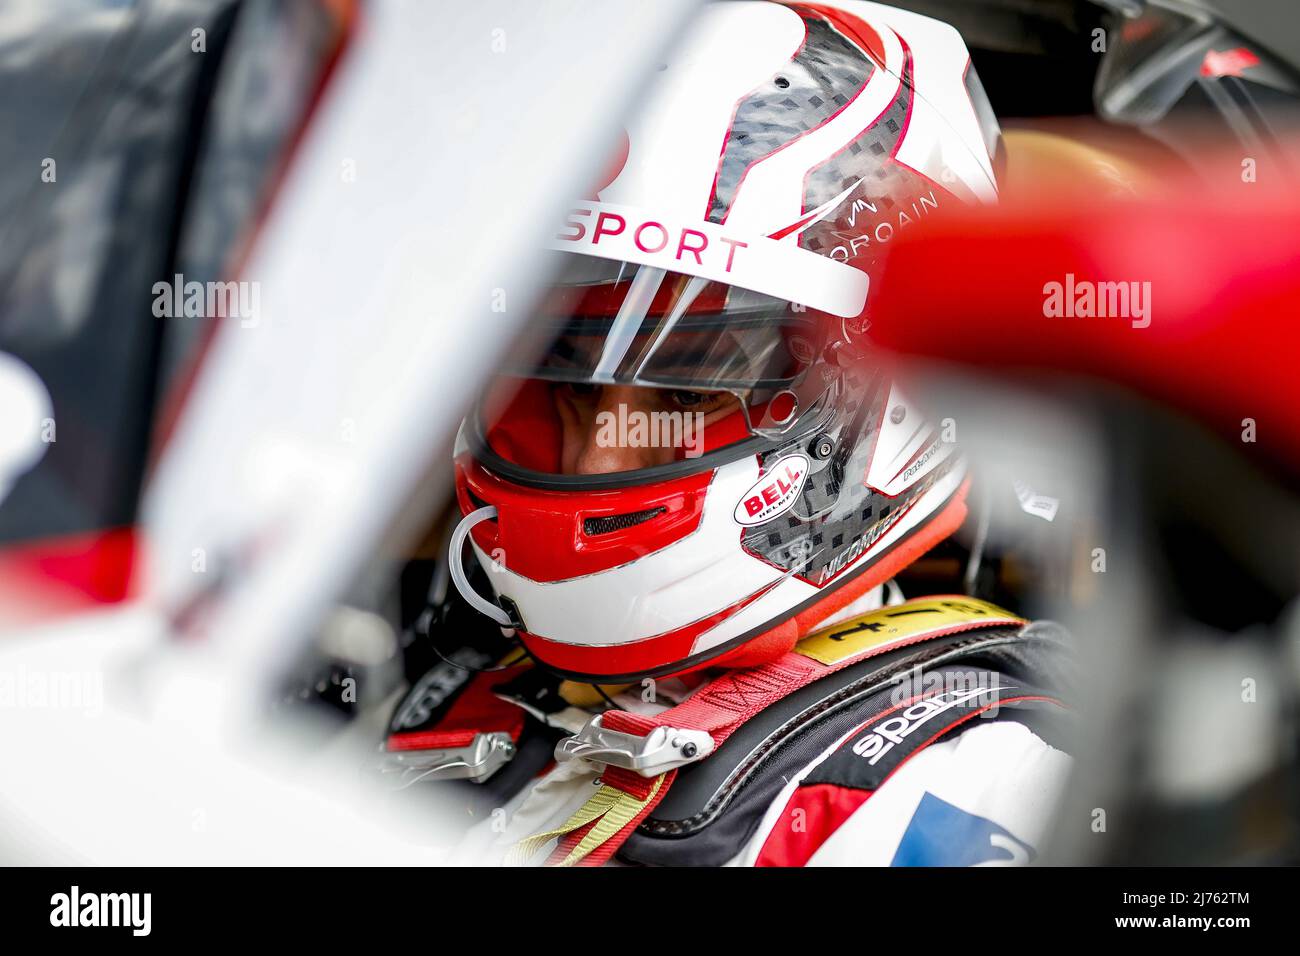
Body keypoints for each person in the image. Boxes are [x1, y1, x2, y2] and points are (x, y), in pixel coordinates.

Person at [381, 0, 1073, 867]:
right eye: (561, 383)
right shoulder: (443, 700)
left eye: (689, 386)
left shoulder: (978, 782)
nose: (602, 455)